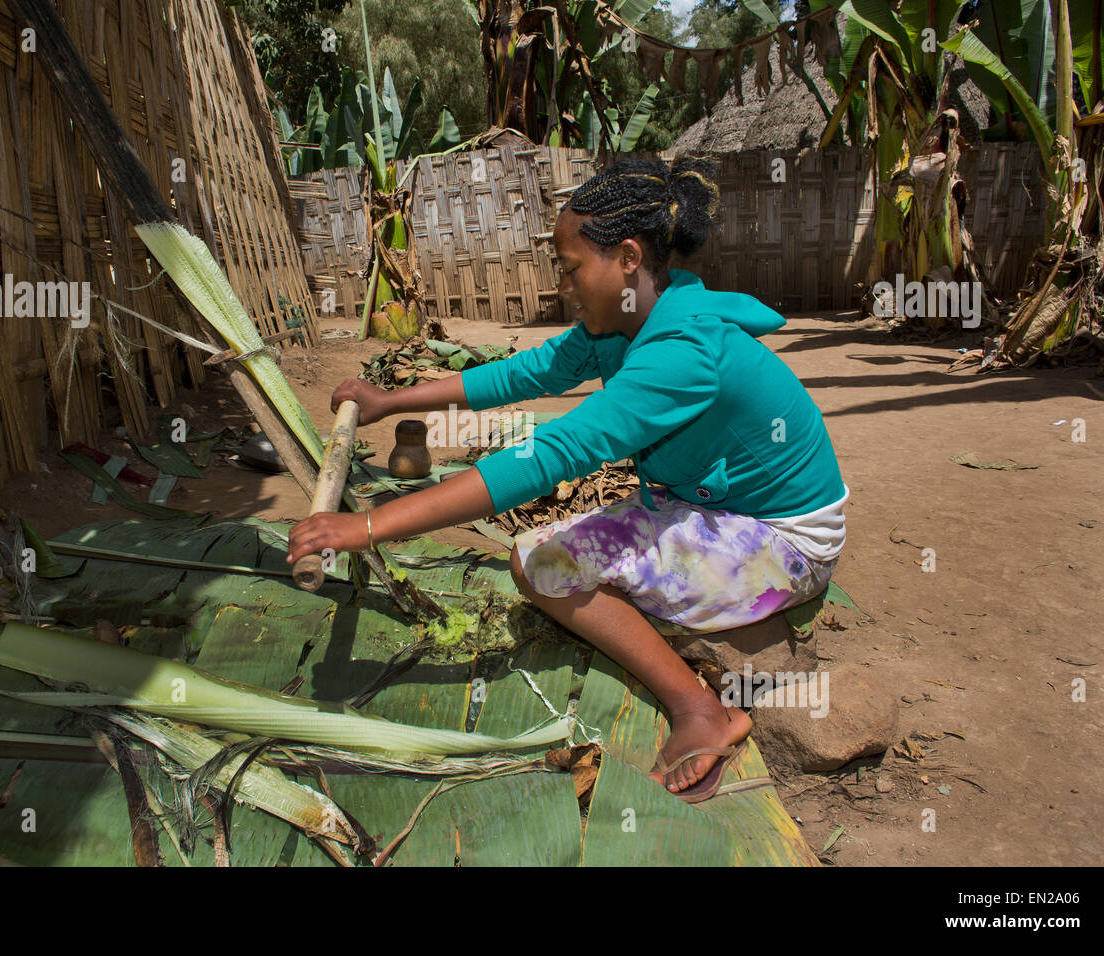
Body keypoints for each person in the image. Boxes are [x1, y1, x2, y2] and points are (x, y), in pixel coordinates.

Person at [287, 154, 848, 801]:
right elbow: (526, 374)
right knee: (566, 553)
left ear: (629, 258)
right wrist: (393, 401)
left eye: (572, 267)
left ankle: (700, 710)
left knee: (542, 565)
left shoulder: (682, 351)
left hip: (788, 544)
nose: (565, 284)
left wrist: (368, 525)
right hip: (713, 506)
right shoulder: (626, 322)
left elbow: (555, 451)